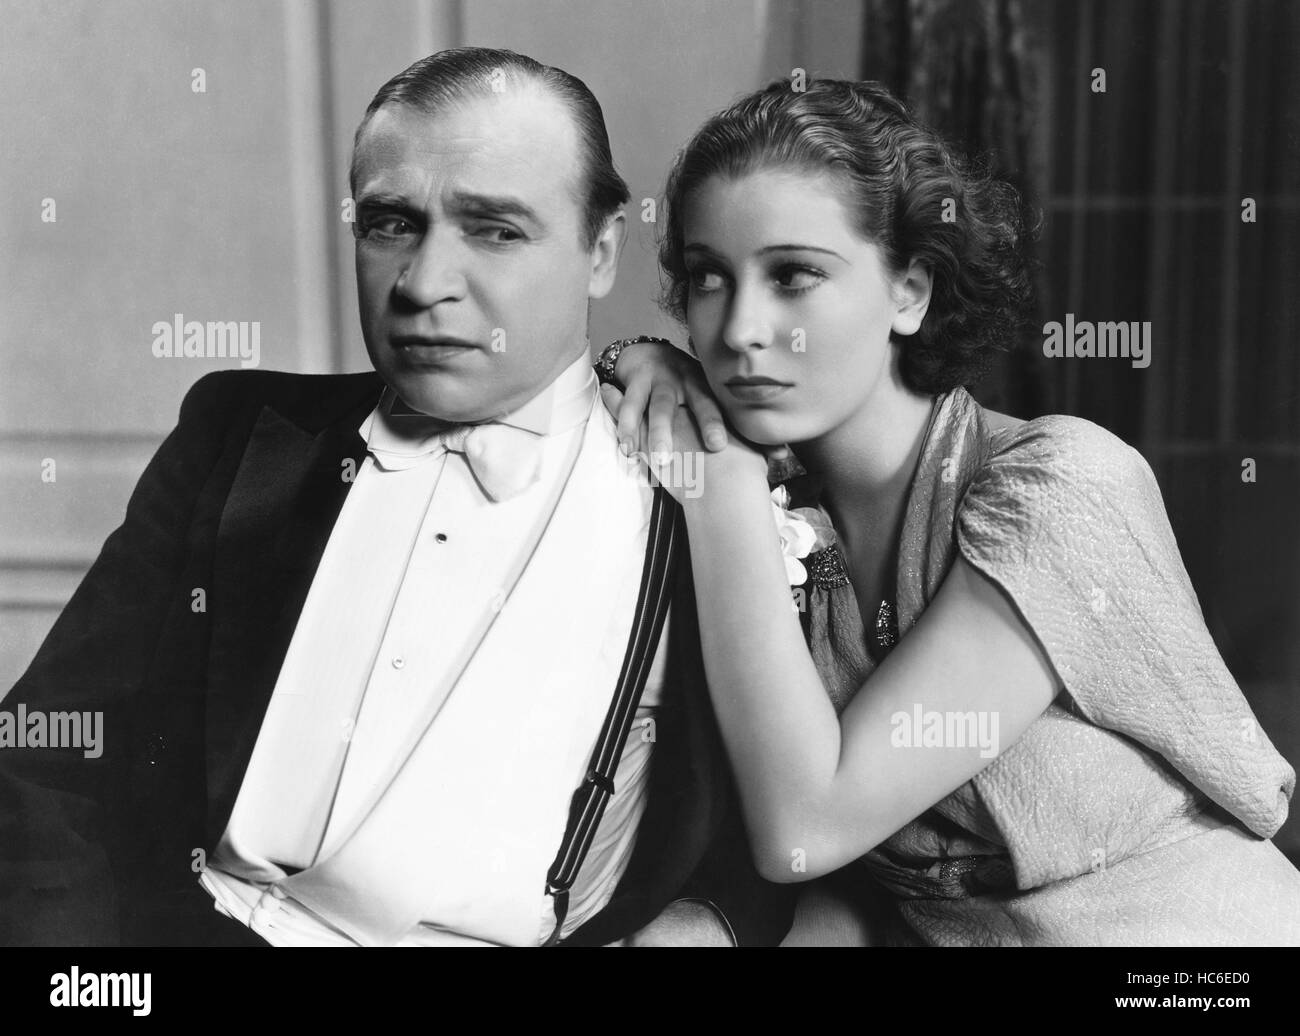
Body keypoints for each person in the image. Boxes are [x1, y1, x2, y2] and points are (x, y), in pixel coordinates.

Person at [0, 48, 792, 948]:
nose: (422, 284)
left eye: (495, 230)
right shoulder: (241, 433)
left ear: (602, 248)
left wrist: (707, 924)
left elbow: (784, 842)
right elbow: (45, 757)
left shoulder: (707, 499)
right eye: (390, 224)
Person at [602, 76, 1300, 945]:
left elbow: (803, 828)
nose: (740, 328)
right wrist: (633, 358)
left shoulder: (1063, 489)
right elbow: (881, 878)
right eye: (710, 278)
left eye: (794, 276)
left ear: (912, 291)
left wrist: (723, 485)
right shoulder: (787, 517)